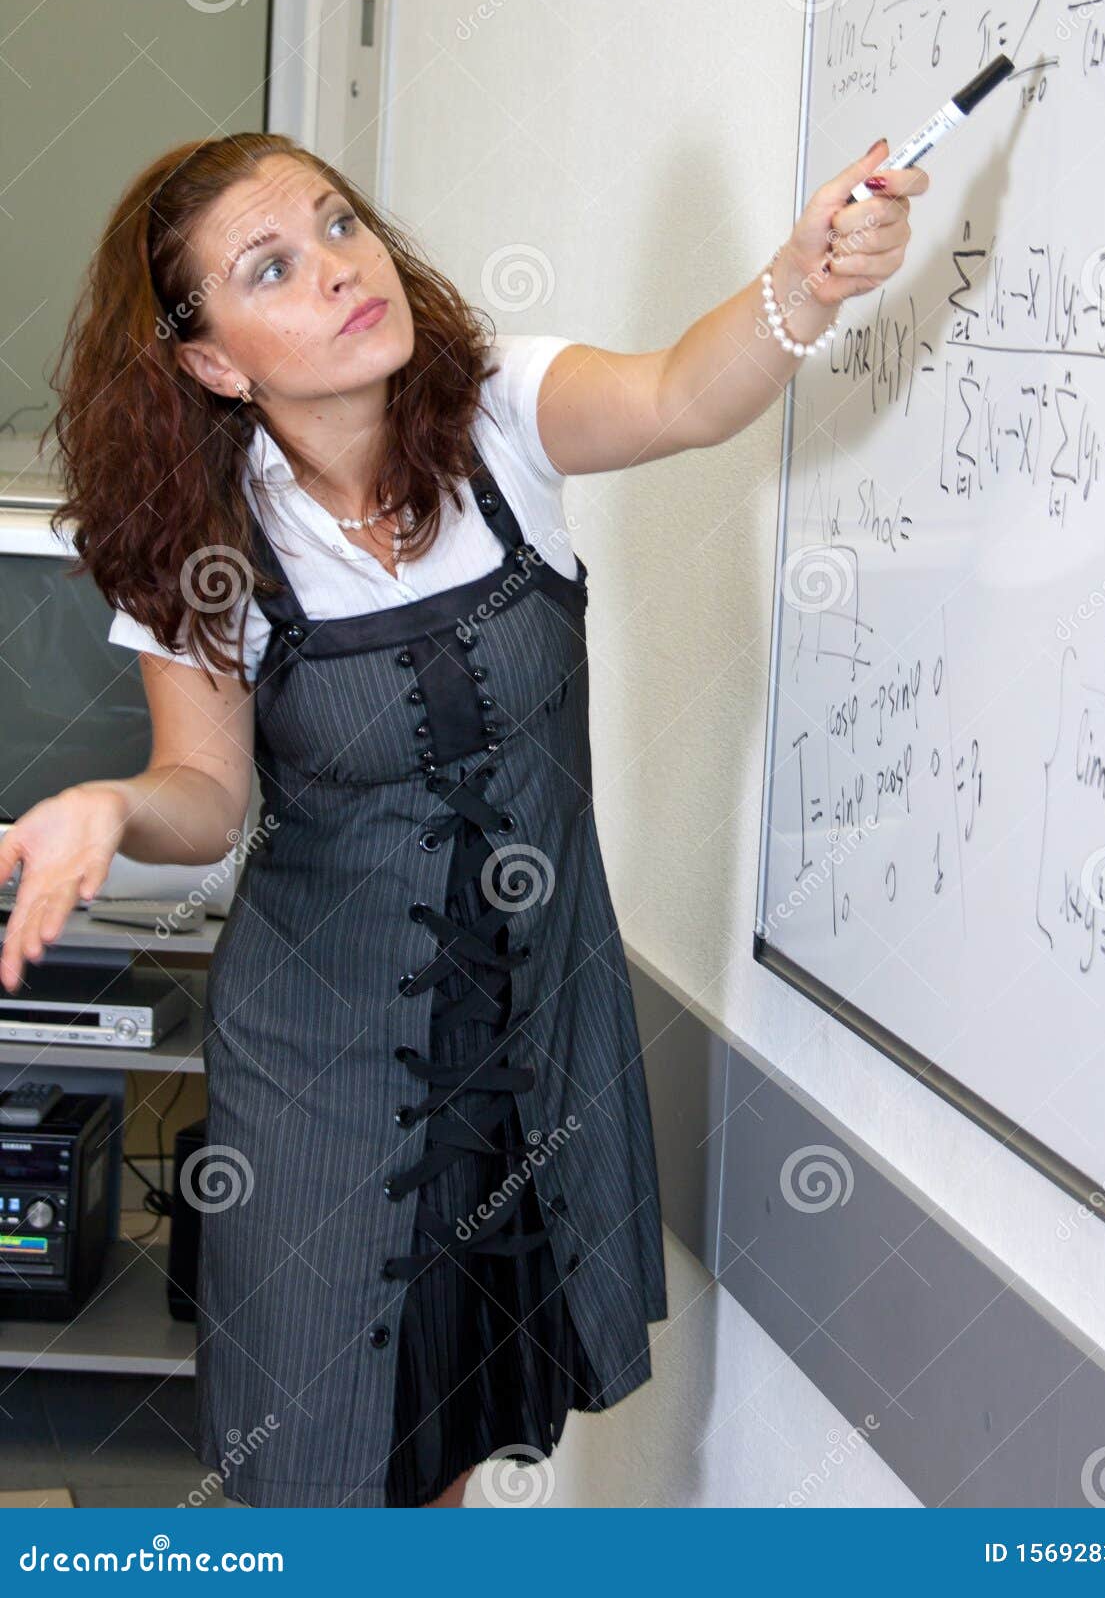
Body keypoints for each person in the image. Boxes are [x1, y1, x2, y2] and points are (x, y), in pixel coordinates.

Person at [0, 132, 926, 1507]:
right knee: (313, 1467)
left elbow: (683, 391)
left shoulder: (502, 415)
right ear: (210, 359)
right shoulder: (206, 535)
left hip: (530, 1040)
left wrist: (803, 280)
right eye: (274, 267)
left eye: (337, 224)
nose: (338, 269)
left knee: (444, 1447)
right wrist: (112, 803)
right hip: (319, 1074)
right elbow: (206, 797)